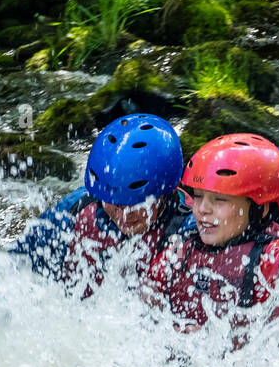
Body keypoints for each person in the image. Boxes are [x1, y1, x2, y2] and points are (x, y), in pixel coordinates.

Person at [142, 133, 279, 344]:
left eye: (220, 200)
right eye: (197, 196)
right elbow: (139, 315)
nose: (202, 209)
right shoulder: (178, 252)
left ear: (260, 208)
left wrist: (216, 343)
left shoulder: (275, 262)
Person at [18, 114, 186, 298]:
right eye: (113, 204)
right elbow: (13, 264)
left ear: (166, 191)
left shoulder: (191, 230)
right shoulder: (76, 209)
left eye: (135, 204)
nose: (123, 216)